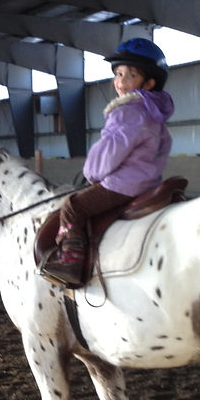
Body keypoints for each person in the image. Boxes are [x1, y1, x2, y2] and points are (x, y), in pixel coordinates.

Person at [42, 38, 174, 287]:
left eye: (130, 75)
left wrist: (92, 172)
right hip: (149, 182)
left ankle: (71, 262)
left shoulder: (127, 111)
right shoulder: (155, 114)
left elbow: (111, 150)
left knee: (73, 206)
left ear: (149, 82)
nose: (121, 82)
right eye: (118, 74)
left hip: (123, 184)